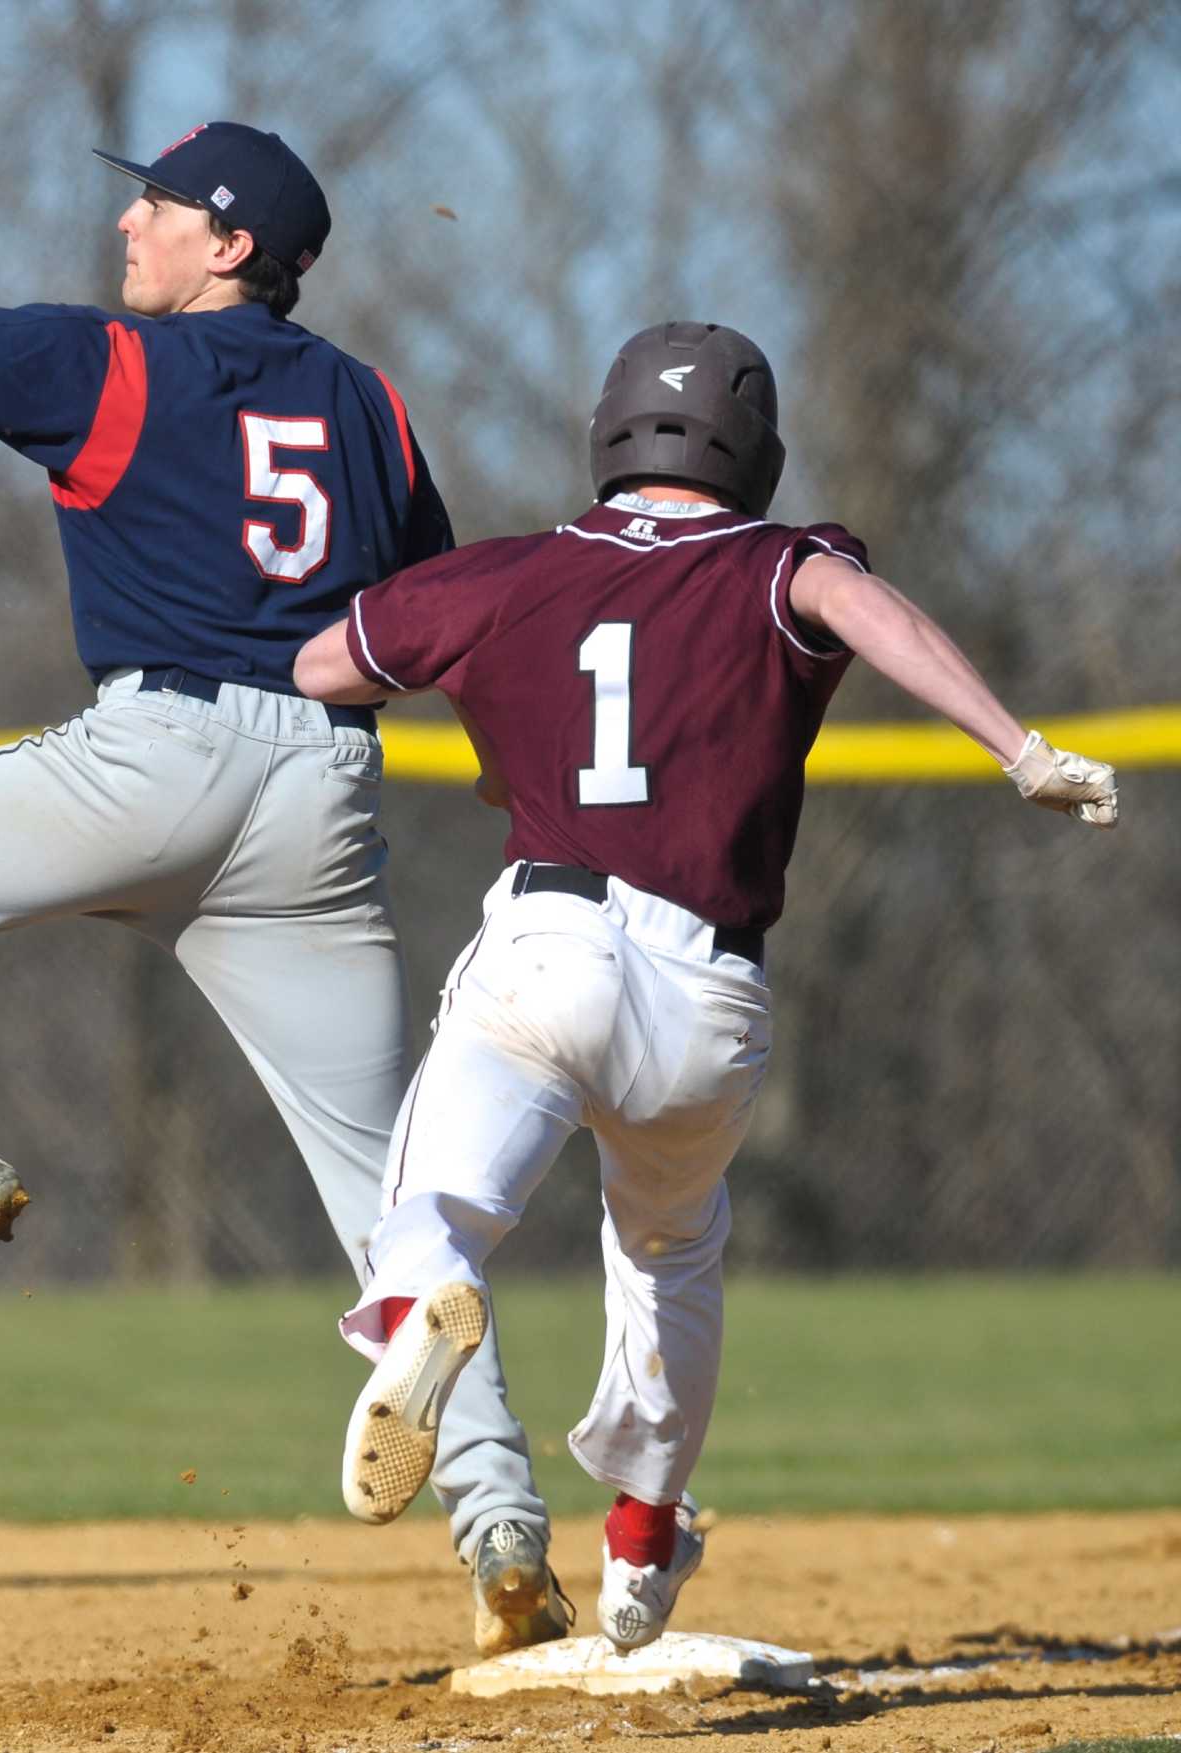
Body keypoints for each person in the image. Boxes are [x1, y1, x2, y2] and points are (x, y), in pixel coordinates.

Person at [0, 123, 566, 1650]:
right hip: (325, 797)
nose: (127, 218)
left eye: (157, 202)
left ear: (226, 246)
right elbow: (437, 617)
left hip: (166, 754)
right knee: (391, 1206)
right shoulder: (375, 404)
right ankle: (505, 1536)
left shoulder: (115, 368)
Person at [293, 321, 1119, 1653]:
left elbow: (326, 663)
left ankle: (416, 1314)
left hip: (547, 952)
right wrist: (1018, 747)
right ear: (755, 451)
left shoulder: (510, 573)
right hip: (707, 997)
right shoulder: (782, 562)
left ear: (607, 434)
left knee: (430, 1205)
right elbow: (866, 612)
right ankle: (639, 1543)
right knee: (672, 1254)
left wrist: (470, 659)